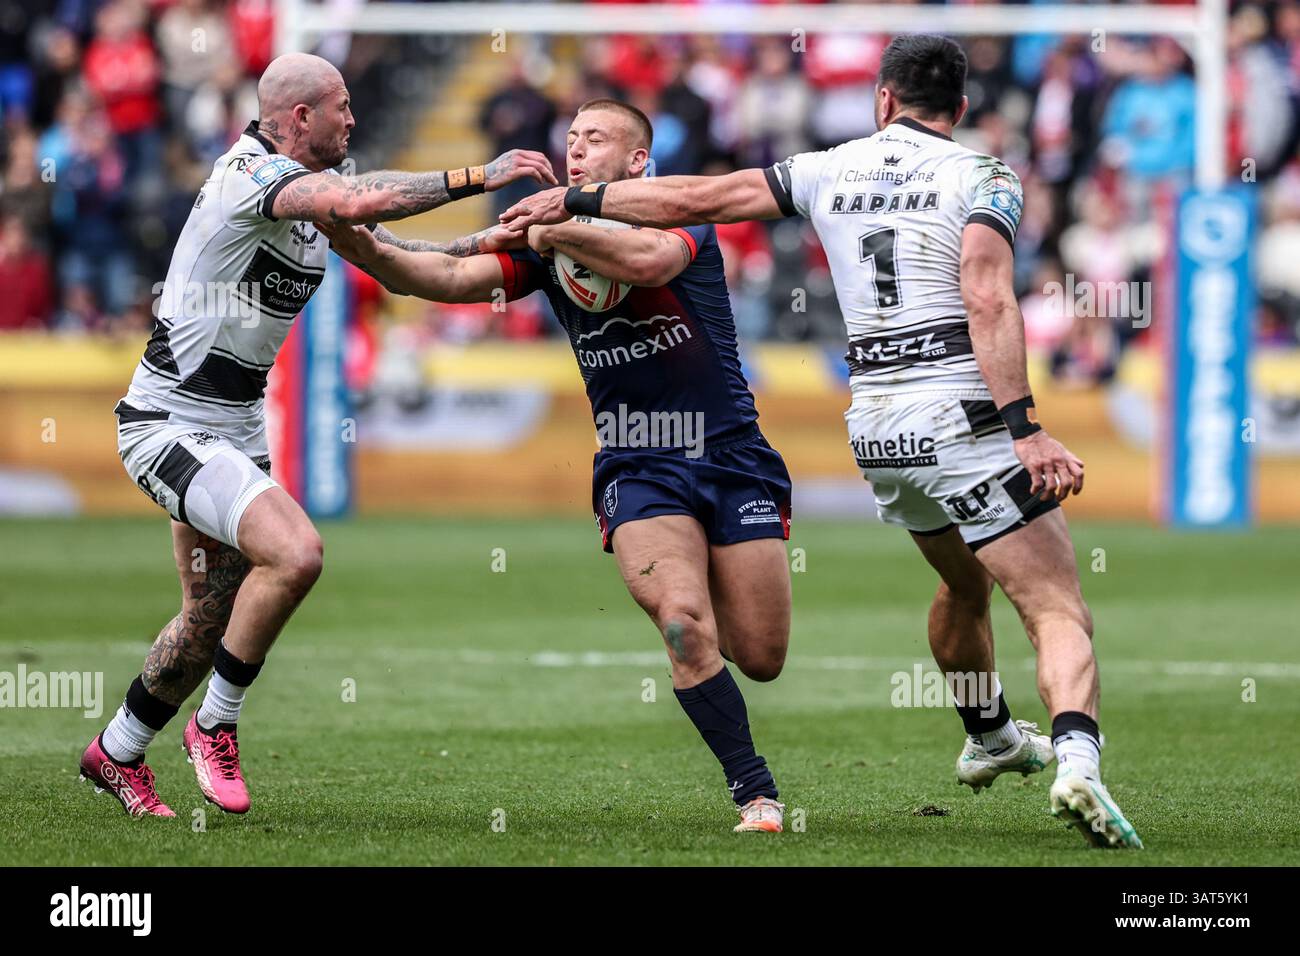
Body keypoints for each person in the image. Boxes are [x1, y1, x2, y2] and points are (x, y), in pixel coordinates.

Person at [501, 36, 1142, 850]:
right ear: (964, 109)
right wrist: (1025, 426)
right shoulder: (986, 176)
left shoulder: (830, 166)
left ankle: (989, 734)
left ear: (882, 100)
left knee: (964, 586)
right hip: (957, 409)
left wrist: (579, 202)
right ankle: (1080, 759)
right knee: (1054, 603)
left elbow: (699, 196)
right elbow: (985, 295)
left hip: (877, 425)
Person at [80, 51, 556, 819]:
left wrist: (499, 244)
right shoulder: (248, 176)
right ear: (300, 118)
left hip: (234, 425)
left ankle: (117, 751)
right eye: (340, 106)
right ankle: (215, 726)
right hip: (168, 420)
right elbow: (363, 203)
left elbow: (395, 265)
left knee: (210, 619)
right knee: (297, 552)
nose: (353, 118)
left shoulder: (325, 193)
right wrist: (480, 176)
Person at [324, 98, 793, 834]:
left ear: (637, 161)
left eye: (595, 139)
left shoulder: (676, 220)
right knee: (680, 623)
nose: (575, 150)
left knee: (761, 656)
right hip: (638, 461)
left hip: (730, 453)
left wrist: (547, 224)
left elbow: (644, 261)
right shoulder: (547, 249)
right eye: (569, 139)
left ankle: (717, 643)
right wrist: (358, 242)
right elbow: (436, 279)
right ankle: (755, 792)